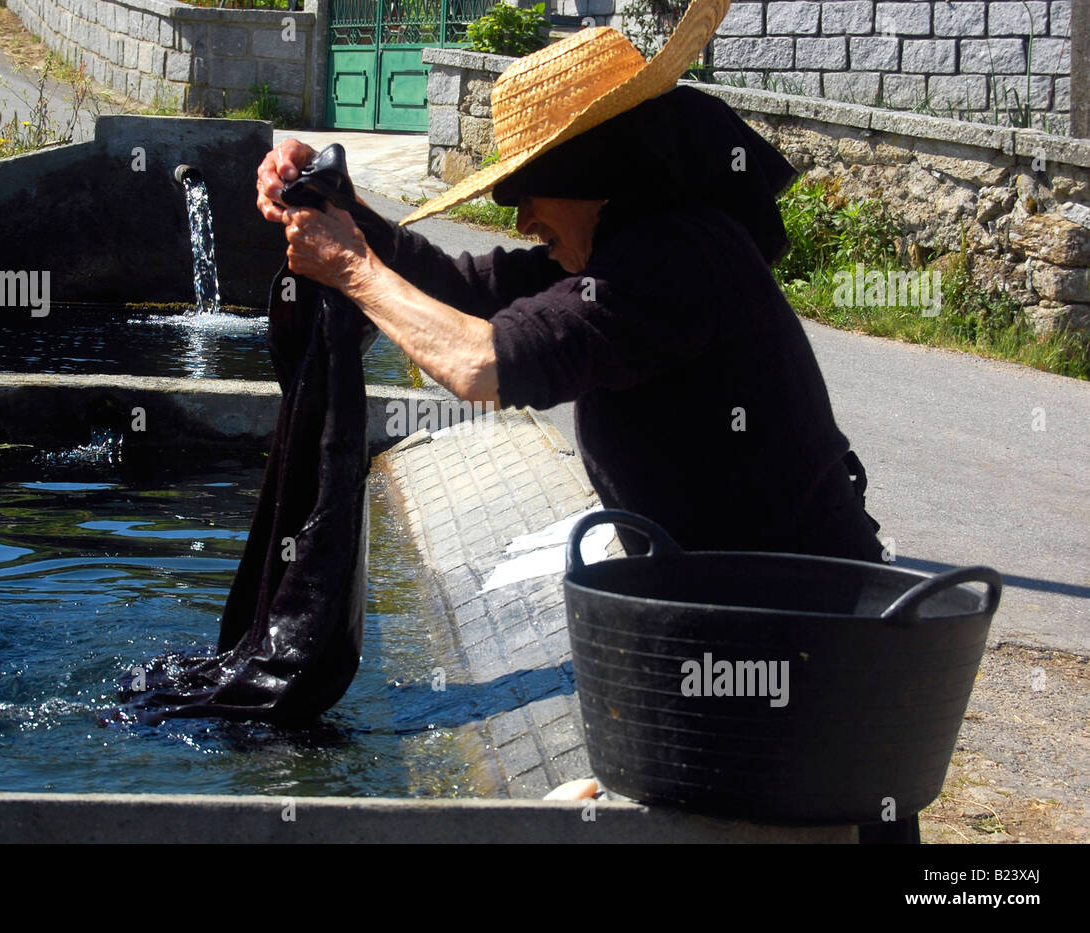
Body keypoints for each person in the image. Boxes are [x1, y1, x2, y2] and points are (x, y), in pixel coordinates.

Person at [256, 7, 912, 843]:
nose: (521, 217)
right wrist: (340, 203)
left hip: (812, 670)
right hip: (746, 648)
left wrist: (348, 265)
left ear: (595, 168)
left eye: (529, 189)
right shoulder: (623, 254)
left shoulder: (677, 261)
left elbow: (479, 363)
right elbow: (467, 290)